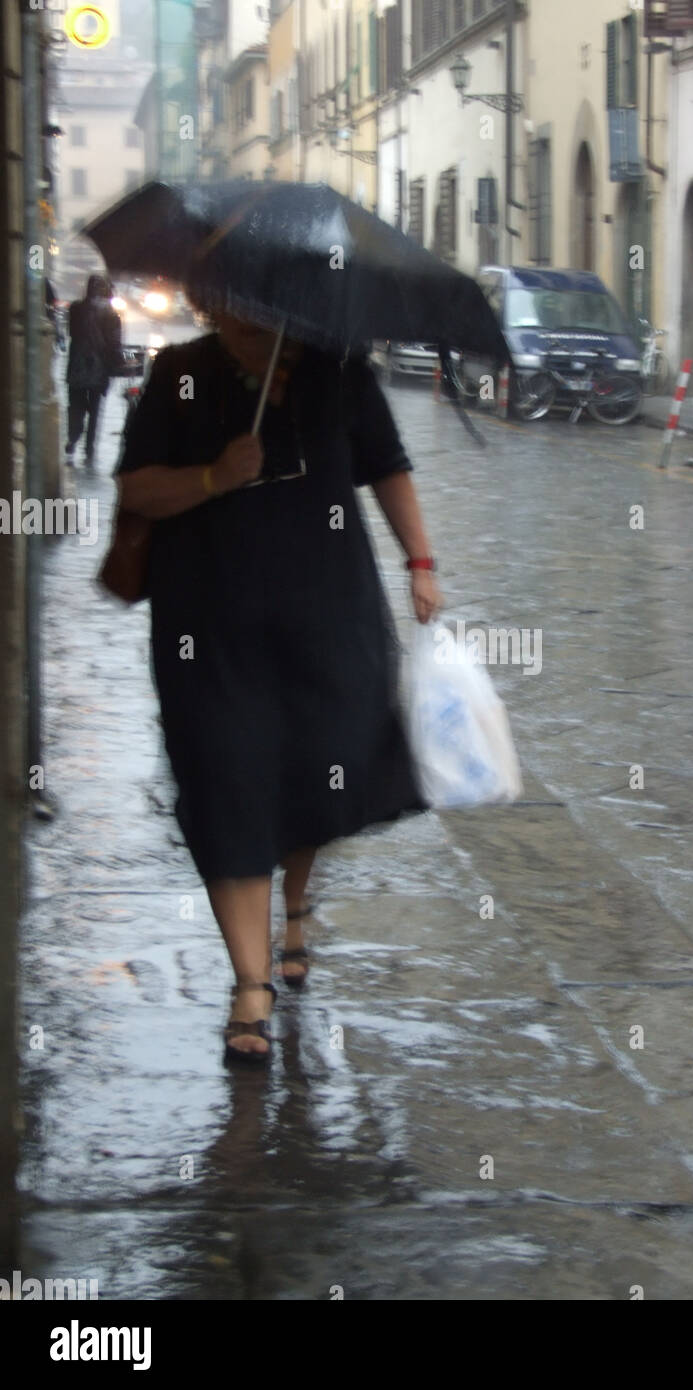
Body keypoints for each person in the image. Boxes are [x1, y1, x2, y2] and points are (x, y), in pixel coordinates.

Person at [115, 303, 442, 1065]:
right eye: (228, 313)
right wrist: (213, 476)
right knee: (227, 783)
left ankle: (295, 904)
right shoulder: (179, 375)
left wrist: (420, 562)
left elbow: (388, 465)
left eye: (258, 318)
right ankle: (250, 988)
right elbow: (135, 490)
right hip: (210, 629)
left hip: (328, 619)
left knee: (315, 775)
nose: (241, 326)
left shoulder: (338, 370)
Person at [65, 274, 122, 467]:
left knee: (76, 406)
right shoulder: (112, 315)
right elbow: (114, 344)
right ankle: (89, 448)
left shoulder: (76, 308)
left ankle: (73, 438)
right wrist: (119, 364)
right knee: (95, 411)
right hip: (99, 370)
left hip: (76, 368)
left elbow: (71, 333)